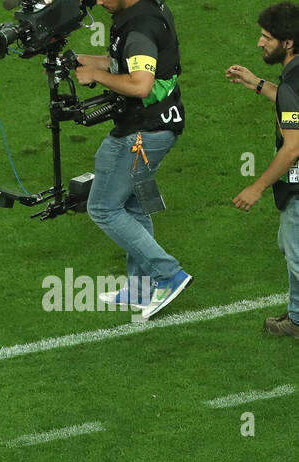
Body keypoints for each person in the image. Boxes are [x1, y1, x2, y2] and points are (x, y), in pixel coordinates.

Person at [75, 0, 191, 321]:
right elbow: (126, 63)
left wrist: (95, 75)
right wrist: (82, 60)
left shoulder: (139, 28)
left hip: (143, 131)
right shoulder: (144, 10)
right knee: (133, 205)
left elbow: (140, 84)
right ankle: (141, 289)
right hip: (159, 124)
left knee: (103, 208)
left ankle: (169, 275)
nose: (98, 2)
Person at [227, 4, 299, 337]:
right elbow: (291, 106)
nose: (259, 43)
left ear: (288, 43)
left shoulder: (292, 86)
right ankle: (297, 319)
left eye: (267, 38)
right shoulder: (292, 80)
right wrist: (257, 84)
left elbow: (294, 147)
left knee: (295, 252)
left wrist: (256, 187)